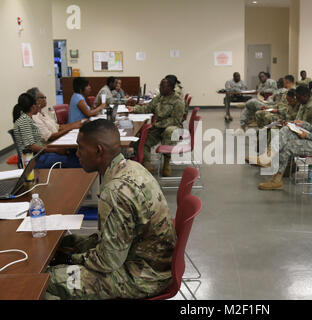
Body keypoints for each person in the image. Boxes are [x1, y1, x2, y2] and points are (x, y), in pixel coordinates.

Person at [45, 119, 176, 300]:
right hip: (149, 261)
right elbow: (112, 241)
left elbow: (108, 262)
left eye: (80, 148)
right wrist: (74, 246)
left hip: (142, 277)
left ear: (98, 151)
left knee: (47, 281)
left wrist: (69, 259)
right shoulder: (132, 167)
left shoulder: (115, 192)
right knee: (70, 241)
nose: (77, 153)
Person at [127, 78, 185, 176]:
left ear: (170, 88)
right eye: (160, 85)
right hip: (159, 127)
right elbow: (147, 108)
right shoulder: (159, 98)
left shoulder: (178, 101)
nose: (160, 88)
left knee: (169, 131)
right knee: (142, 139)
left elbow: (175, 120)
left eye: (163, 86)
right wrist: (134, 109)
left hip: (173, 128)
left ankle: (167, 162)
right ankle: (146, 163)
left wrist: (158, 124)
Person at [12, 93, 81, 168]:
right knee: (72, 160)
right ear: (32, 107)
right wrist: (55, 150)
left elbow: (37, 143)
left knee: (71, 154)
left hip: (39, 155)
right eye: (37, 105)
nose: (38, 107)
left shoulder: (28, 119)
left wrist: (54, 149)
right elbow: (32, 147)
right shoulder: (24, 121)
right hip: (34, 160)